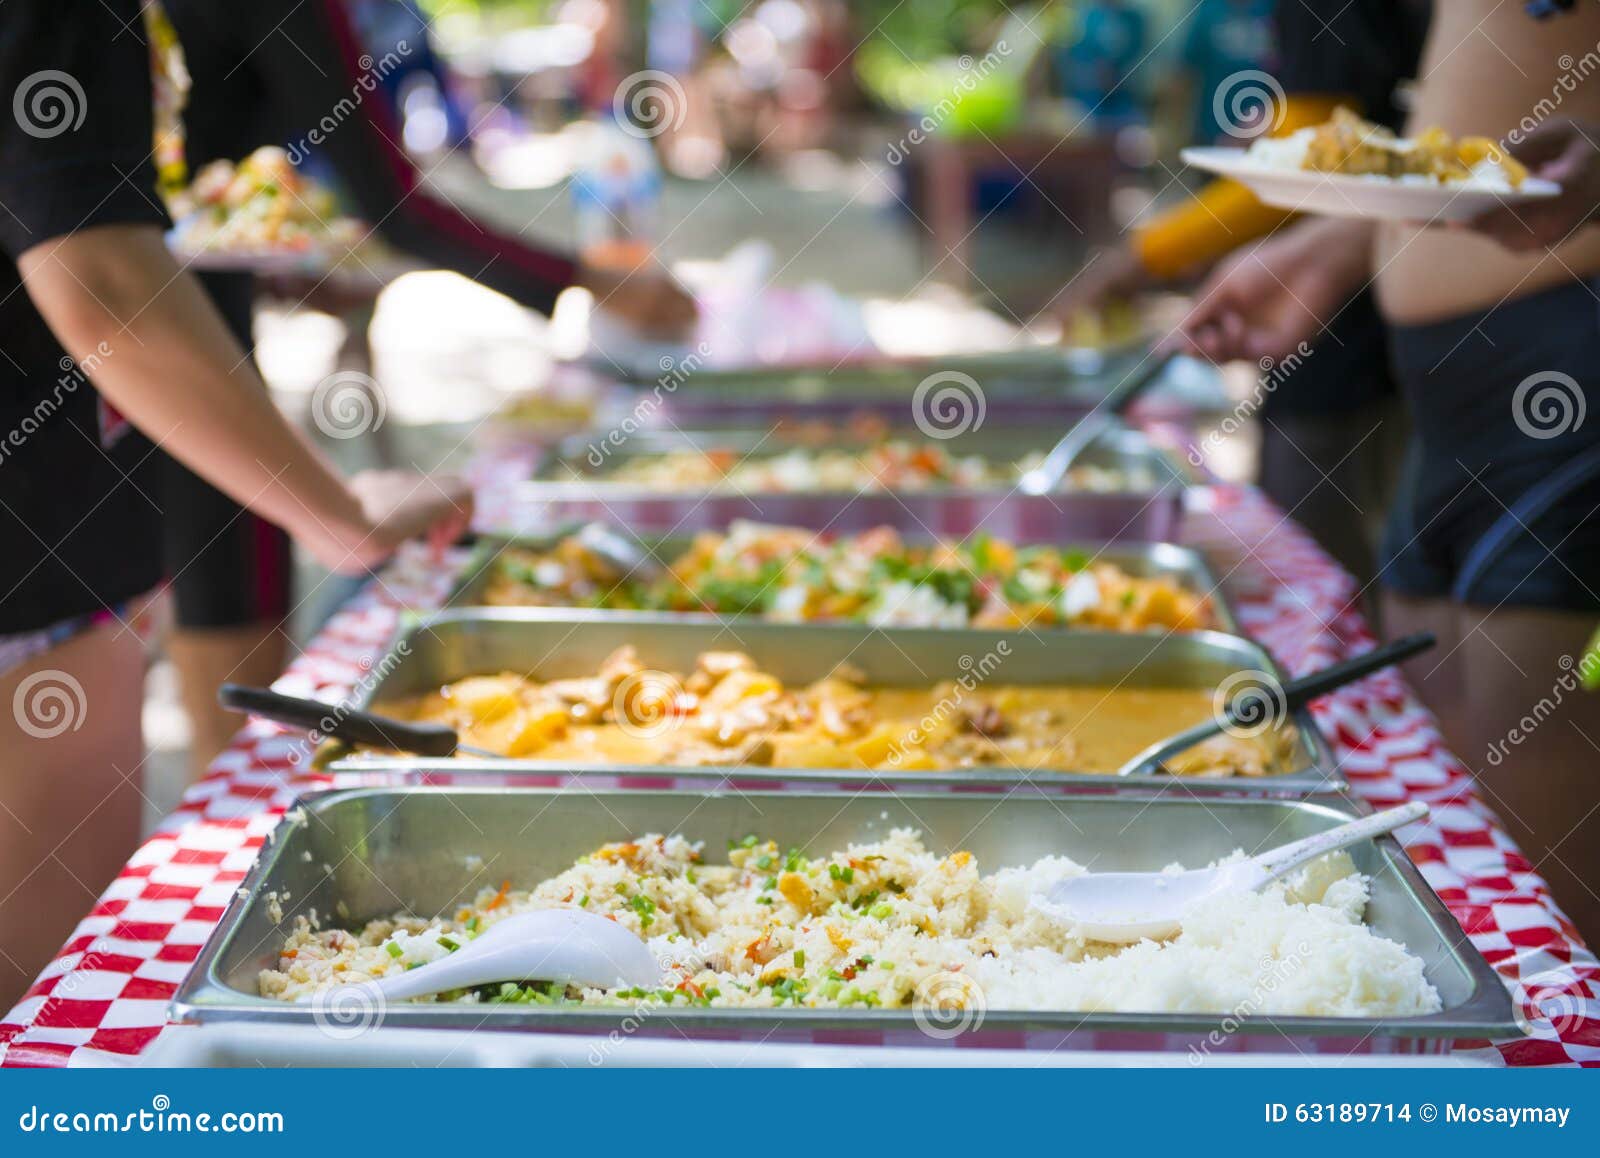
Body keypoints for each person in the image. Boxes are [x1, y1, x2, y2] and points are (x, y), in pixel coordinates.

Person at [0, 0, 474, 1008]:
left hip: (57, 557)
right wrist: (344, 516)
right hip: (36, 566)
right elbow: (100, 277)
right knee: (44, 1023)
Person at [149, 0, 696, 776]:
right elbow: (395, 203)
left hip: (163, 339)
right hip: (170, 349)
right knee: (225, 707)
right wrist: (588, 278)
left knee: (188, 660)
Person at [1179, 0, 1600, 944]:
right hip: (1449, 395)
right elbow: (1482, 124)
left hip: (1566, 381)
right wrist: (1340, 245)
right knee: (1435, 744)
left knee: (1530, 753)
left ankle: (1564, 1029)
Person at [1048, 2, 1428, 587]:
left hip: (1356, 322)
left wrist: (1137, 261)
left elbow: (1310, 165)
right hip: (1341, 288)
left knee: (1321, 550)